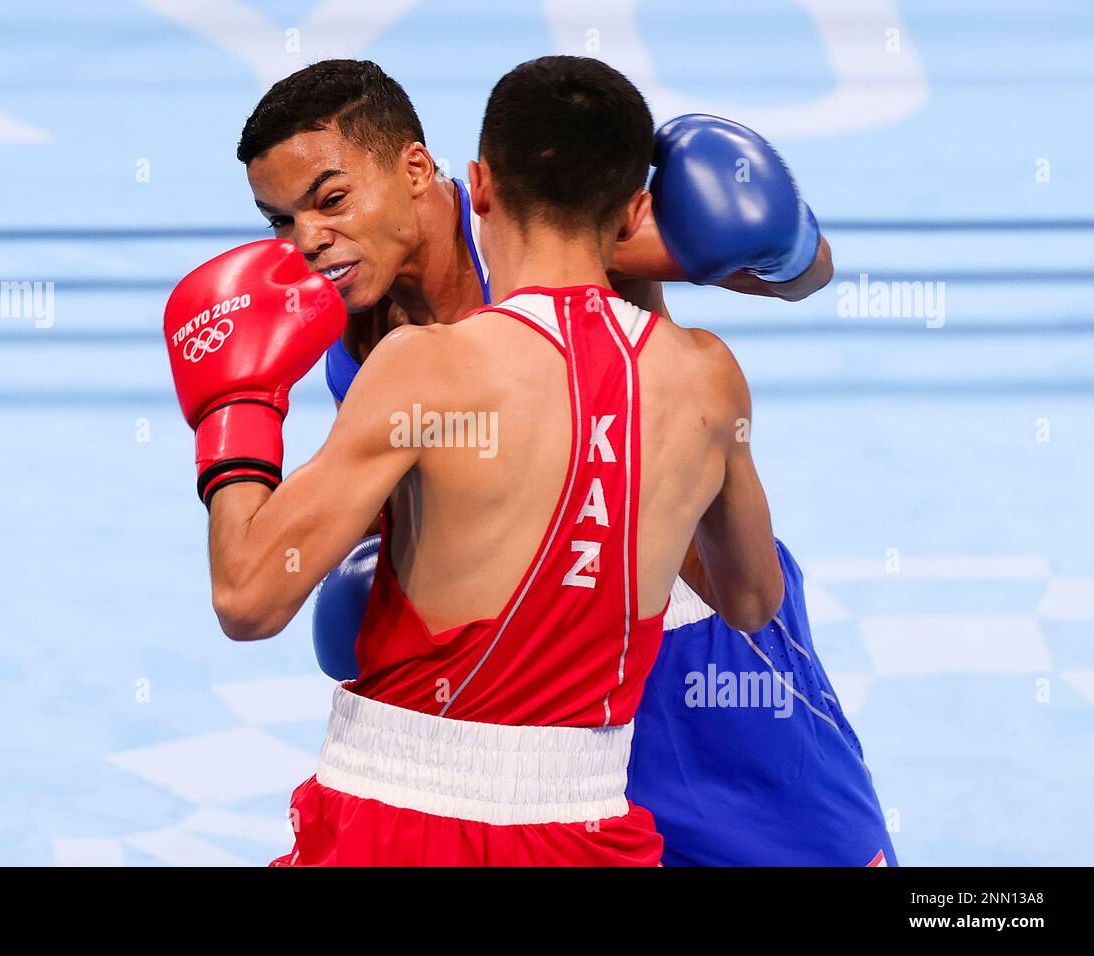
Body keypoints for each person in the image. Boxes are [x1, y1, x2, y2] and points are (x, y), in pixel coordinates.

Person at [239, 59, 896, 866]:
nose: (308, 242)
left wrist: (793, 249)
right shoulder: (355, 337)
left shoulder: (549, 227)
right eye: (281, 221)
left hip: (699, 656)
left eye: (330, 200)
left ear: (429, 173)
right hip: (532, 734)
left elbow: (794, 271)